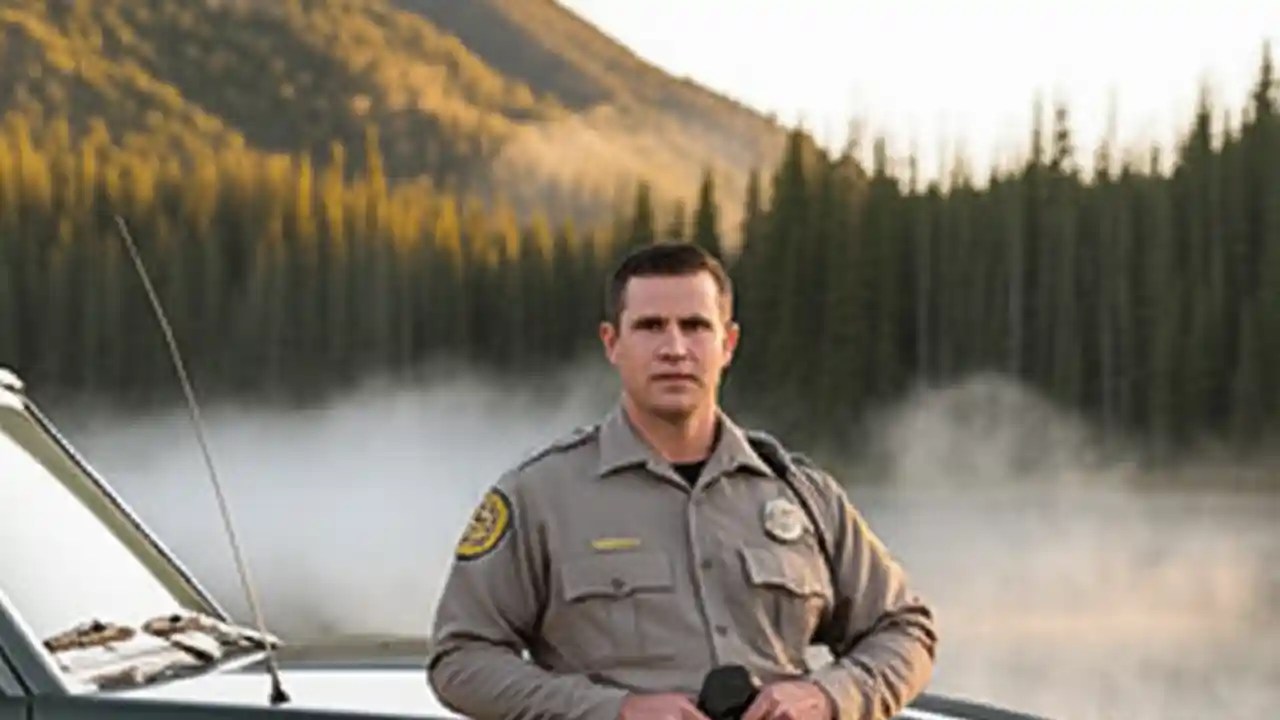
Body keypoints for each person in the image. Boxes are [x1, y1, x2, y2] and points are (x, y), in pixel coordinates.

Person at [427, 242, 937, 720]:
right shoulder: (541, 495)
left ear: (728, 343)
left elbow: (904, 630)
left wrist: (827, 695)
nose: (675, 348)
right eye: (650, 326)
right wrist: (614, 711)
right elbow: (460, 660)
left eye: (695, 326)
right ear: (612, 343)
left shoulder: (802, 495)